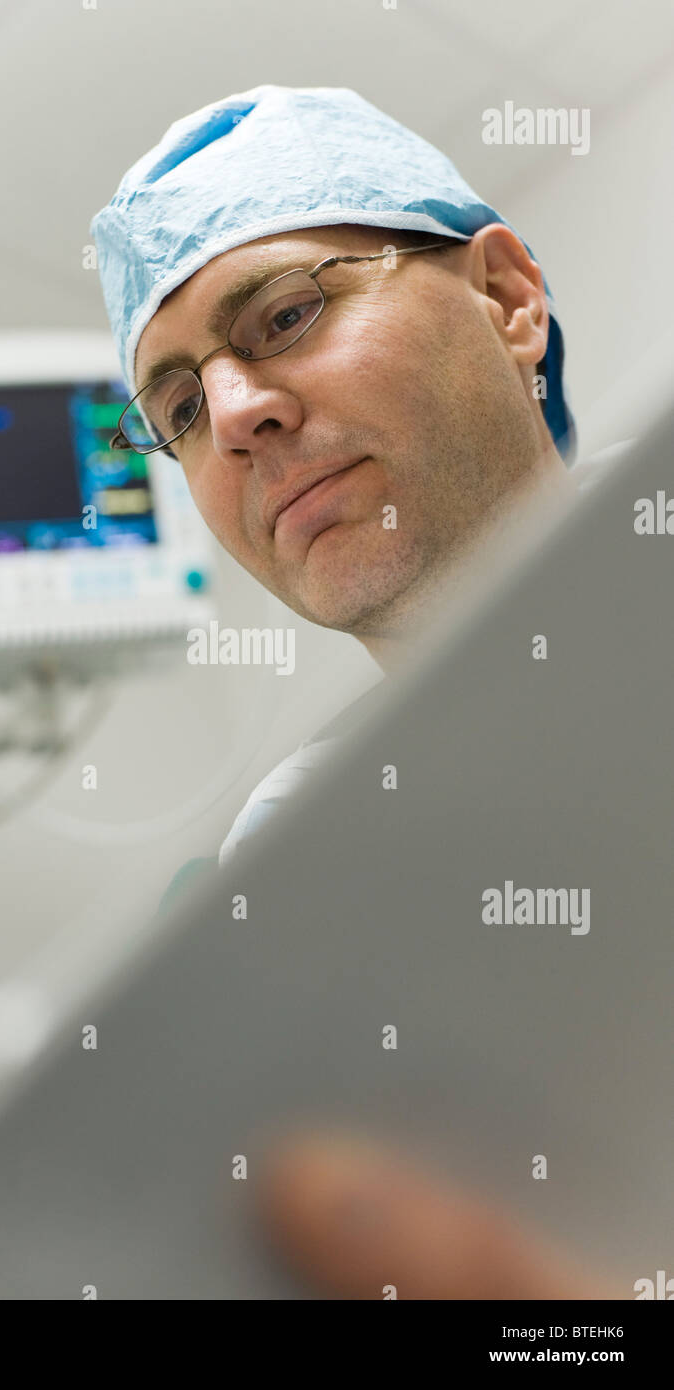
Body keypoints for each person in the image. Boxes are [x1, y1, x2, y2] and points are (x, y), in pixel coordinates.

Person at [91, 84, 627, 1298]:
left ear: (506, 299)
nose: (233, 415)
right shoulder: (292, 852)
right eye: (177, 408)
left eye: (285, 315)